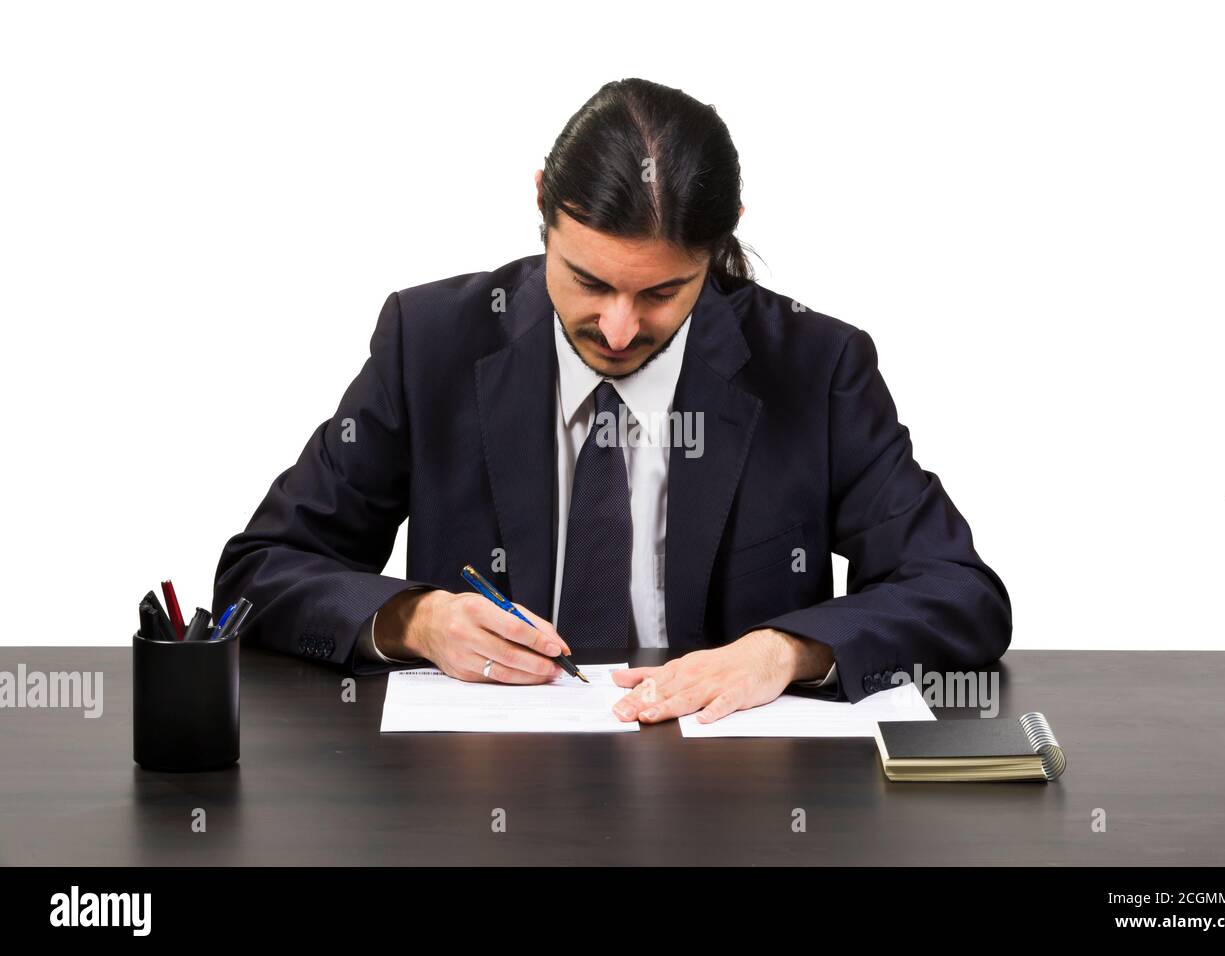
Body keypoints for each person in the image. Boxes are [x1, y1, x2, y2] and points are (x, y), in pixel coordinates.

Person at [214, 77, 1011, 725]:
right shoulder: (431, 344)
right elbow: (259, 571)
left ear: (722, 238)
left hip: (737, 804)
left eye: (663, 292)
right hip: (476, 800)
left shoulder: (816, 366)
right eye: (588, 282)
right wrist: (413, 622)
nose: (621, 329)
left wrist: (786, 651)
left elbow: (959, 593)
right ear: (541, 208)